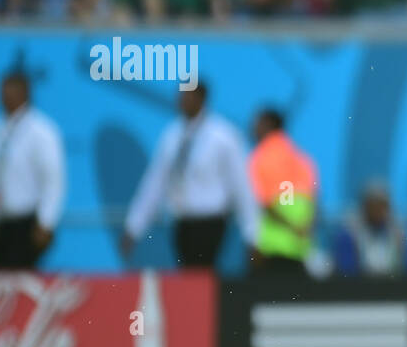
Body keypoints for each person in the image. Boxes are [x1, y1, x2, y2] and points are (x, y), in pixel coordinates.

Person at [122, 81, 259, 268]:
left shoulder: (223, 136)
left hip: (211, 222)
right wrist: (134, 226)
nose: (183, 100)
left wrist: (252, 233)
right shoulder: (172, 135)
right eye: (181, 95)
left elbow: (241, 186)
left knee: (201, 274)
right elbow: (155, 182)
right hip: (181, 222)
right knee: (187, 275)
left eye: (188, 96)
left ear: (202, 98)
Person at [0, 71, 65, 269]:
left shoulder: (41, 131)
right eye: (2, 91)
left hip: (27, 223)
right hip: (0, 224)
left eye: (10, 91)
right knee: (1, 282)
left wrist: (46, 222)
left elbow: (53, 181)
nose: (4, 96)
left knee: (22, 282)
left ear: (24, 93)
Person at [248, 107, 317, 276]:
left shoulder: (261, 157)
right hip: (300, 247)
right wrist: (299, 229)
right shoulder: (302, 159)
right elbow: (311, 203)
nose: (253, 128)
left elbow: (265, 204)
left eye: (258, 123)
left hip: (270, 248)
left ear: (269, 125)